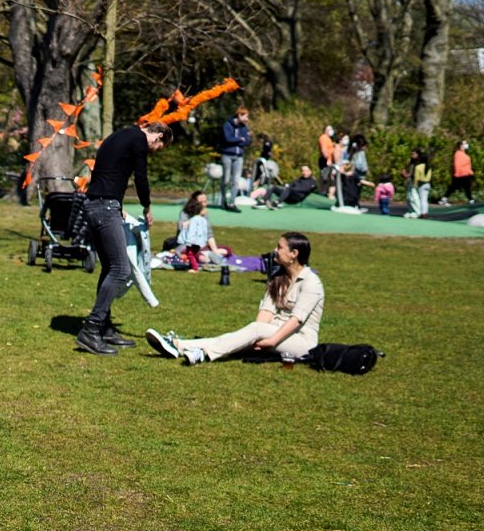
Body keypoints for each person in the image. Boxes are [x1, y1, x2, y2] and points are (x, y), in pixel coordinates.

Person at [72, 118, 171, 355]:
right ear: (158, 136)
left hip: (96, 204)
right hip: (104, 208)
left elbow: (106, 173)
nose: (155, 151)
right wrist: (147, 207)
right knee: (121, 270)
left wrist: (114, 203)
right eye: (160, 148)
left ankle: (104, 327)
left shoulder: (119, 136)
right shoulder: (138, 139)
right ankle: (91, 329)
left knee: (108, 268)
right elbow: (141, 178)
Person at [146, 231, 323, 365]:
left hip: (300, 342)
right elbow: (266, 312)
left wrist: (269, 341)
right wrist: (257, 337)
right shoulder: (278, 278)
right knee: (239, 336)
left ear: (294, 254)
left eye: (279, 247)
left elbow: (296, 320)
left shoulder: (311, 283)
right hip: (273, 331)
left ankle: (202, 353)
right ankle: (178, 345)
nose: (274, 251)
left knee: (250, 332)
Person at [168, 191, 215, 262]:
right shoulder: (185, 213)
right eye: (200, 202)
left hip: (201, 245)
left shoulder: (205, 214)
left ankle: (206, 255)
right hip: (187, 244)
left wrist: (215, 249)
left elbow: (209, 233)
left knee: (226, 250)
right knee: (195, 253)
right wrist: (198, 217)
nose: (203, 204)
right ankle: (199, 256)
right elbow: (183, 230)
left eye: (205, 202)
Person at [219, 106, 250, 210]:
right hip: (227, 155)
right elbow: (227, 139)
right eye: (246, 116)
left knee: (235, 180)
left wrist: (241, 139)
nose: (247, 119)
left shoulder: (244, 127)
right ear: (239, 115)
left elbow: (247, 141)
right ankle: (223, 201)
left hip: (239, 157)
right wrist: (240, 139)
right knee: (226, 180)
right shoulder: (227, 125)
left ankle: (232, 203)